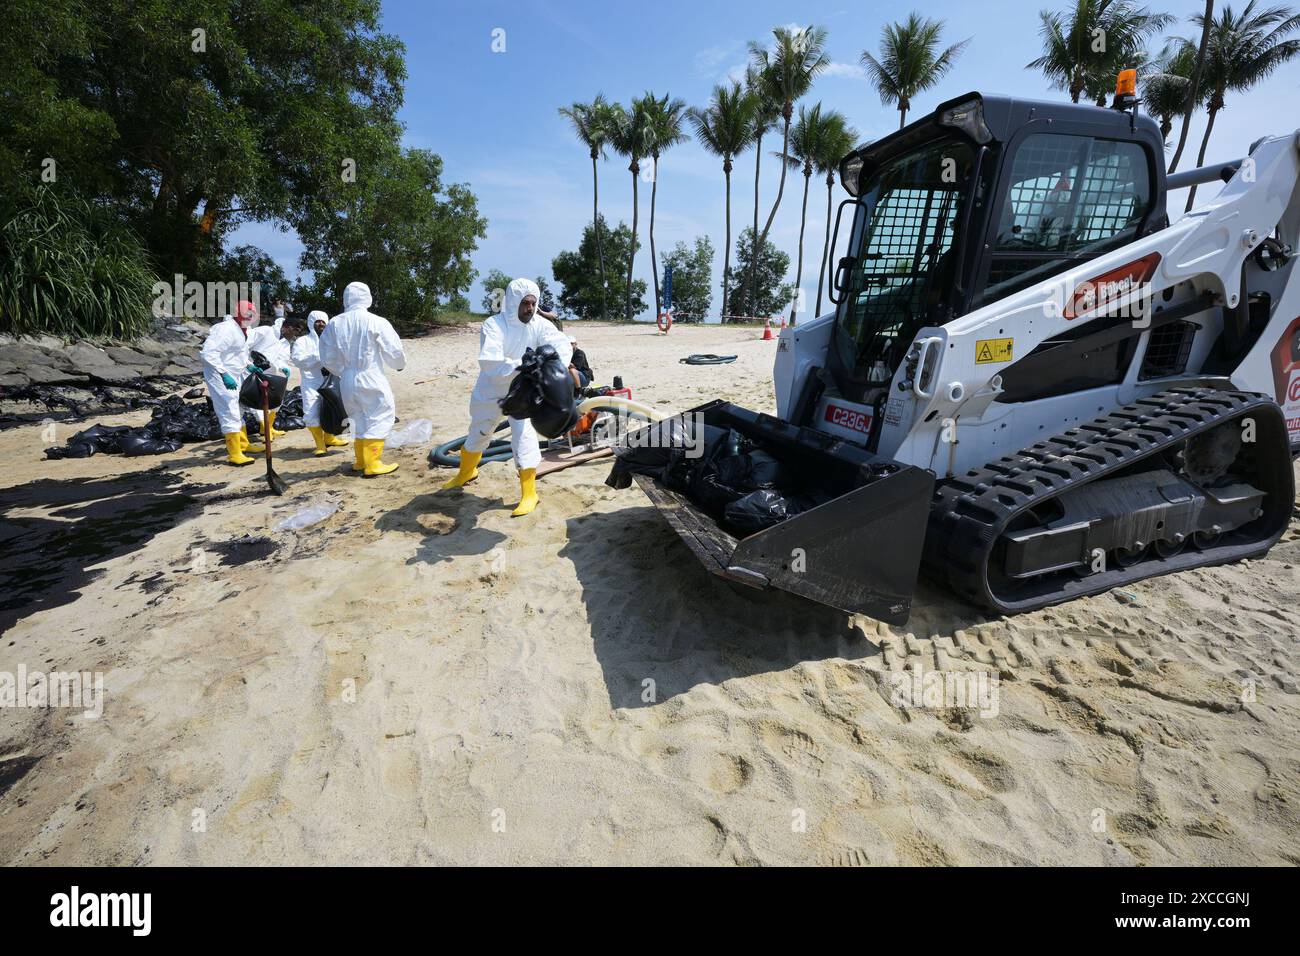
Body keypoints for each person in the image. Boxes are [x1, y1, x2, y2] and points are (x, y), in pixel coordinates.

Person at [441, 277, 571, 516]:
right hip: (492, 389)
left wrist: (551, 365)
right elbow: (490, 361)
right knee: (480, 431)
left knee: (524, 436)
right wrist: (522, 365)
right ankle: (466, 472)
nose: (530, 309)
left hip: (524, 392)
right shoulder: (493, 325)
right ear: (512, 302)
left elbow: (562, 344)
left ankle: (529, 493)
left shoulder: (539, 325)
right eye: (525, 303)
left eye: (533, 303)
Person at [318, 281, 406, 476]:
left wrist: (343, 371)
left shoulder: (334, 322)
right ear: (367, 297)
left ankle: (360, 461)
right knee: (380, 415)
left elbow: (326, 357)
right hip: (370, 374)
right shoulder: (376, 321)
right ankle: (373, 463)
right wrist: (399, 365)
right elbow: (394, 351)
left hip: (347, 378)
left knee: (357, 418)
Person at [200, 300, 263, 465]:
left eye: (253, 313)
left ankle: (243, 444)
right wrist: (223, 374)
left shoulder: (241, 330)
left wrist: (250, 366)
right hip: (220, 375)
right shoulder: (226, 329)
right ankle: (235, 454)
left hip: (235, 374)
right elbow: (208, 353)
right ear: (238, 312)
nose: (251, 315)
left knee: (239, 408)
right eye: (247, 312)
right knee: (229, 410)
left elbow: (238, 354)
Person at [291, 310, 348, 456]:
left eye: (323, 321)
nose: (321, 324)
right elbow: (297, 359)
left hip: (332, 381)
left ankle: (330, 438)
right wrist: (319, 357)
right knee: (311, 412)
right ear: (311, 323)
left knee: (332, 410)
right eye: (317, 321)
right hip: (311, 382)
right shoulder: (302, 341)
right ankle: (320, 444)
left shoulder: (332, 341)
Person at [247, 319, 294, 440]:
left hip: (272, 373)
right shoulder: (265, 331)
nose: (294, 334)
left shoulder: (283, 342)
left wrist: (283, 367)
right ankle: (265, 428)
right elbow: (245, 345)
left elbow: (280, 358)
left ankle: (269, 427)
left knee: (275, 399)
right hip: (254, 371)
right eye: (294, 329)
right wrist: (249, 362)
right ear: (286, 327)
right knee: (259, 400)